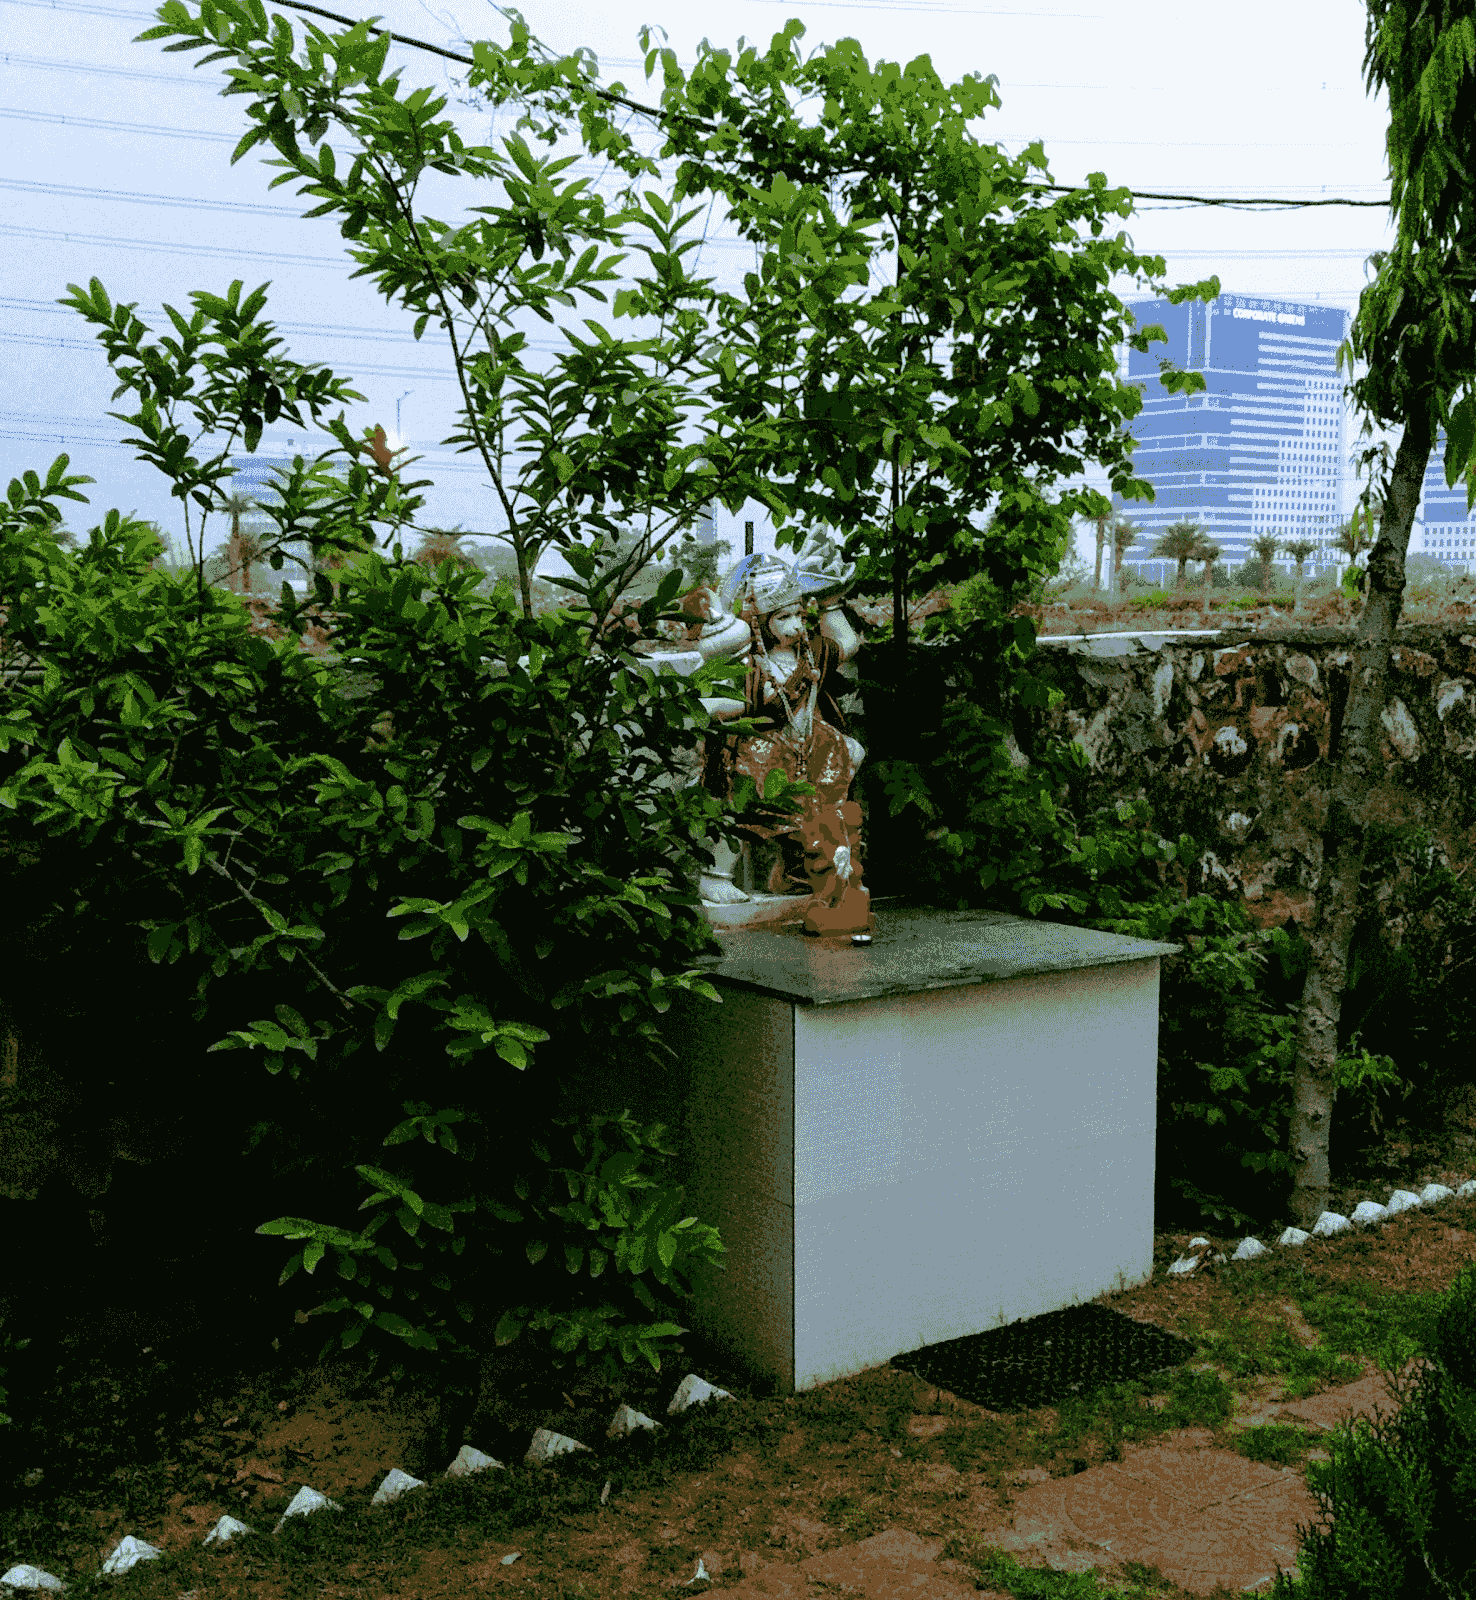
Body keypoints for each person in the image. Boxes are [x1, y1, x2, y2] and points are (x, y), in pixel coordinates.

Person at [690, 533, 872, 935]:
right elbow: (724, 703)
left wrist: (830, 601)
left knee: (827, 801)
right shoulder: (751, 665)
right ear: (759, 621)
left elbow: (846, 643)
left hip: (809, 745)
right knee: (743, 800)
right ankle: (716, 875)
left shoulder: (812, 653)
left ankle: (799, 874)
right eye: (782, 618)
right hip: (763, 748)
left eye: (799, 615)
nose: (795, 626)